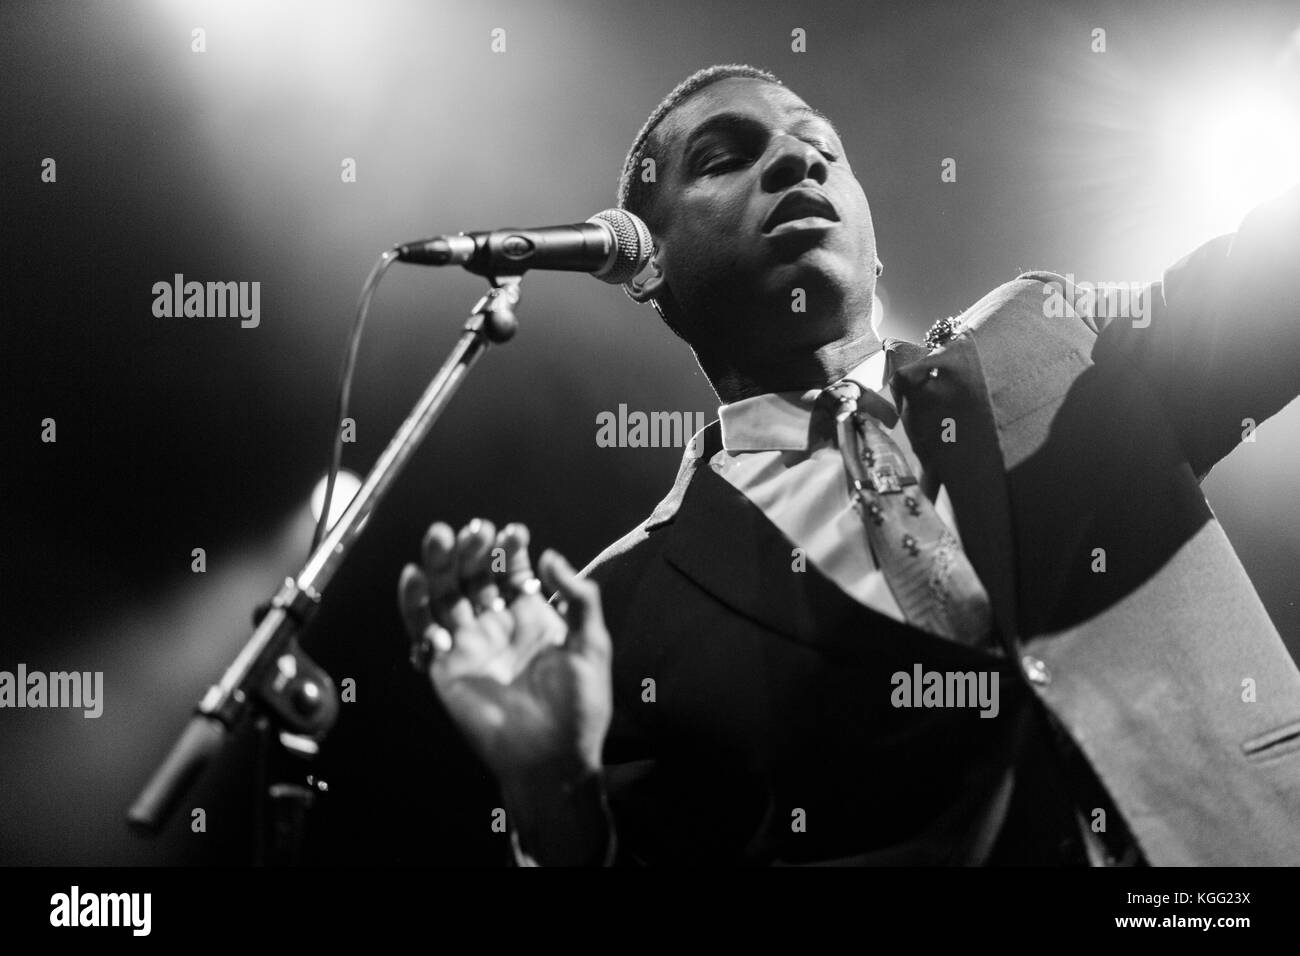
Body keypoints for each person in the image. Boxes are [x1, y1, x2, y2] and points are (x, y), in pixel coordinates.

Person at [396, 64, 1300, 866]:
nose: (798, 164)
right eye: (724, 158)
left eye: (820, 148)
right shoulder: (624, 608)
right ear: (644, 262)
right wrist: (556, 799)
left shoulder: (1044, 336)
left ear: (877, 246)